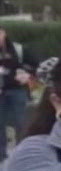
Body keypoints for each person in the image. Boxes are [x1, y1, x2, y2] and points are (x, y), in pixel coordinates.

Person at [0, 25, 31, 157]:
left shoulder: (17, 49)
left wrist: (27, 74)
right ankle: (1, 154)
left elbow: (35, 64)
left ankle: (22, 152)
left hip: (17, 90)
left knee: (20, 122)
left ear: (4, 33)